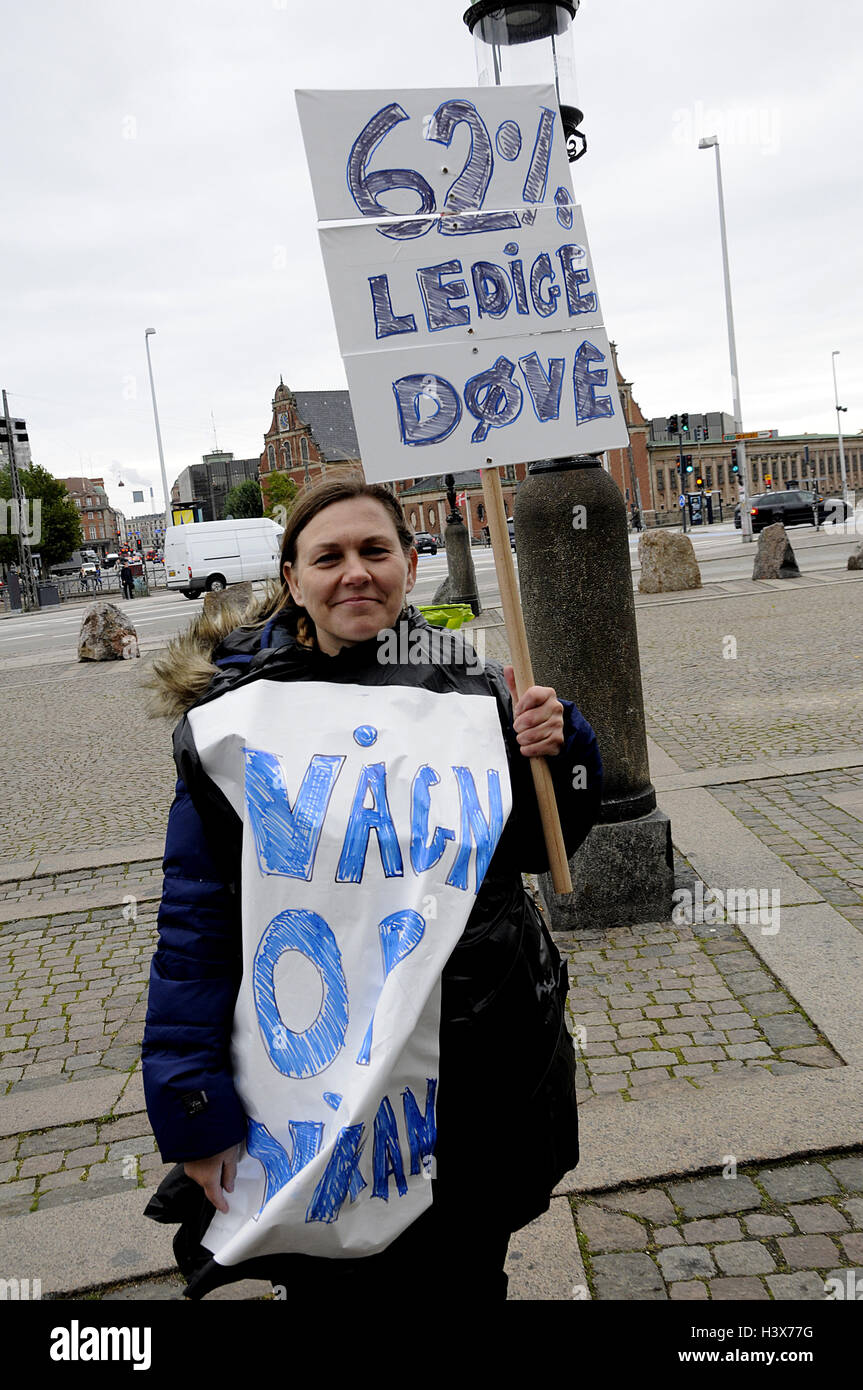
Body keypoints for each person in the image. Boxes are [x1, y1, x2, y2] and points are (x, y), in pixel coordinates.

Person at [142, 476, 603, 1301]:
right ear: (293, 580)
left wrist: (562, 751)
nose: (354, 572)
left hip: (477, 1064)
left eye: (374, 551)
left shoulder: (477, 695)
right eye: (329, 556)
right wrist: (194, 1106)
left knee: (465, 1274)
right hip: (315, 1089)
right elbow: (197, 927)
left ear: (409, 563)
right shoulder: (235, 726)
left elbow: (542, 849)